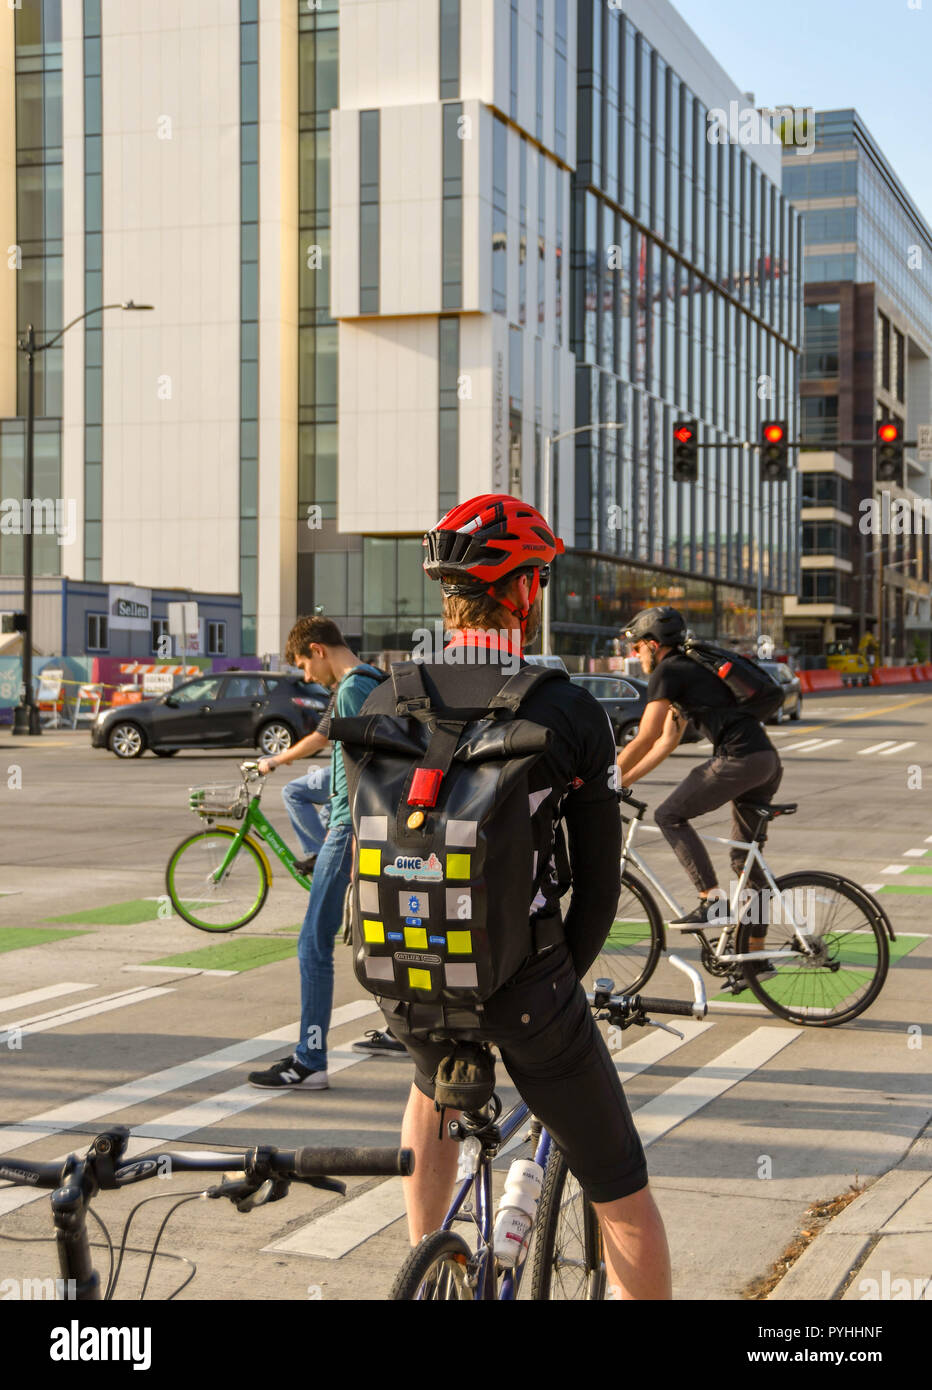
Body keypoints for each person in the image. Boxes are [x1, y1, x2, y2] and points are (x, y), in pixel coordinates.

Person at [351, 494, 671, 1300]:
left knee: (431, 1088)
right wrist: (555, 983)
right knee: (620, 1191)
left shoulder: (385, 697)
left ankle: (435, 1269)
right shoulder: (568, 709)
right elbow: (597, 889)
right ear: (525, 592)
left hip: (407, 977)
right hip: (529, 991)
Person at [248, 616, 399, 1089]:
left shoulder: (353, 688)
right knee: (381, 940)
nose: (307, 677)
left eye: (303, 665)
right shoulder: (371, 679)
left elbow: (366, 772)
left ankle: (309, 1061)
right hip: (360, 828)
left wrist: (355, 840)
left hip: (346, 829)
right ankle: (405, 1030)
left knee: (313, 944)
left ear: (317, 649)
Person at [616, 606, 782, 977]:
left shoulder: (668, 671)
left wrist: (604, 778)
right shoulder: (687, 673)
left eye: (638, 647)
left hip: (739, 758)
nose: (636, 655)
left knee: (669, 815)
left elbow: (643, 736)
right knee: (746, 862)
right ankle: (754, 957)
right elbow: (664, 743)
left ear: (653, 645)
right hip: (765, 761)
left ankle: (711, 900)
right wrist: (622, 781)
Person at [259, 734, 331, 874]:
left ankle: (323, 856)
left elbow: (320, 738)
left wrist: (276, 760)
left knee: (292, 792)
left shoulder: (340, 710)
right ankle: (325, 857)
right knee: (326, 821)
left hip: (352, 769)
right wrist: (289, 755)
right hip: (364, 769)